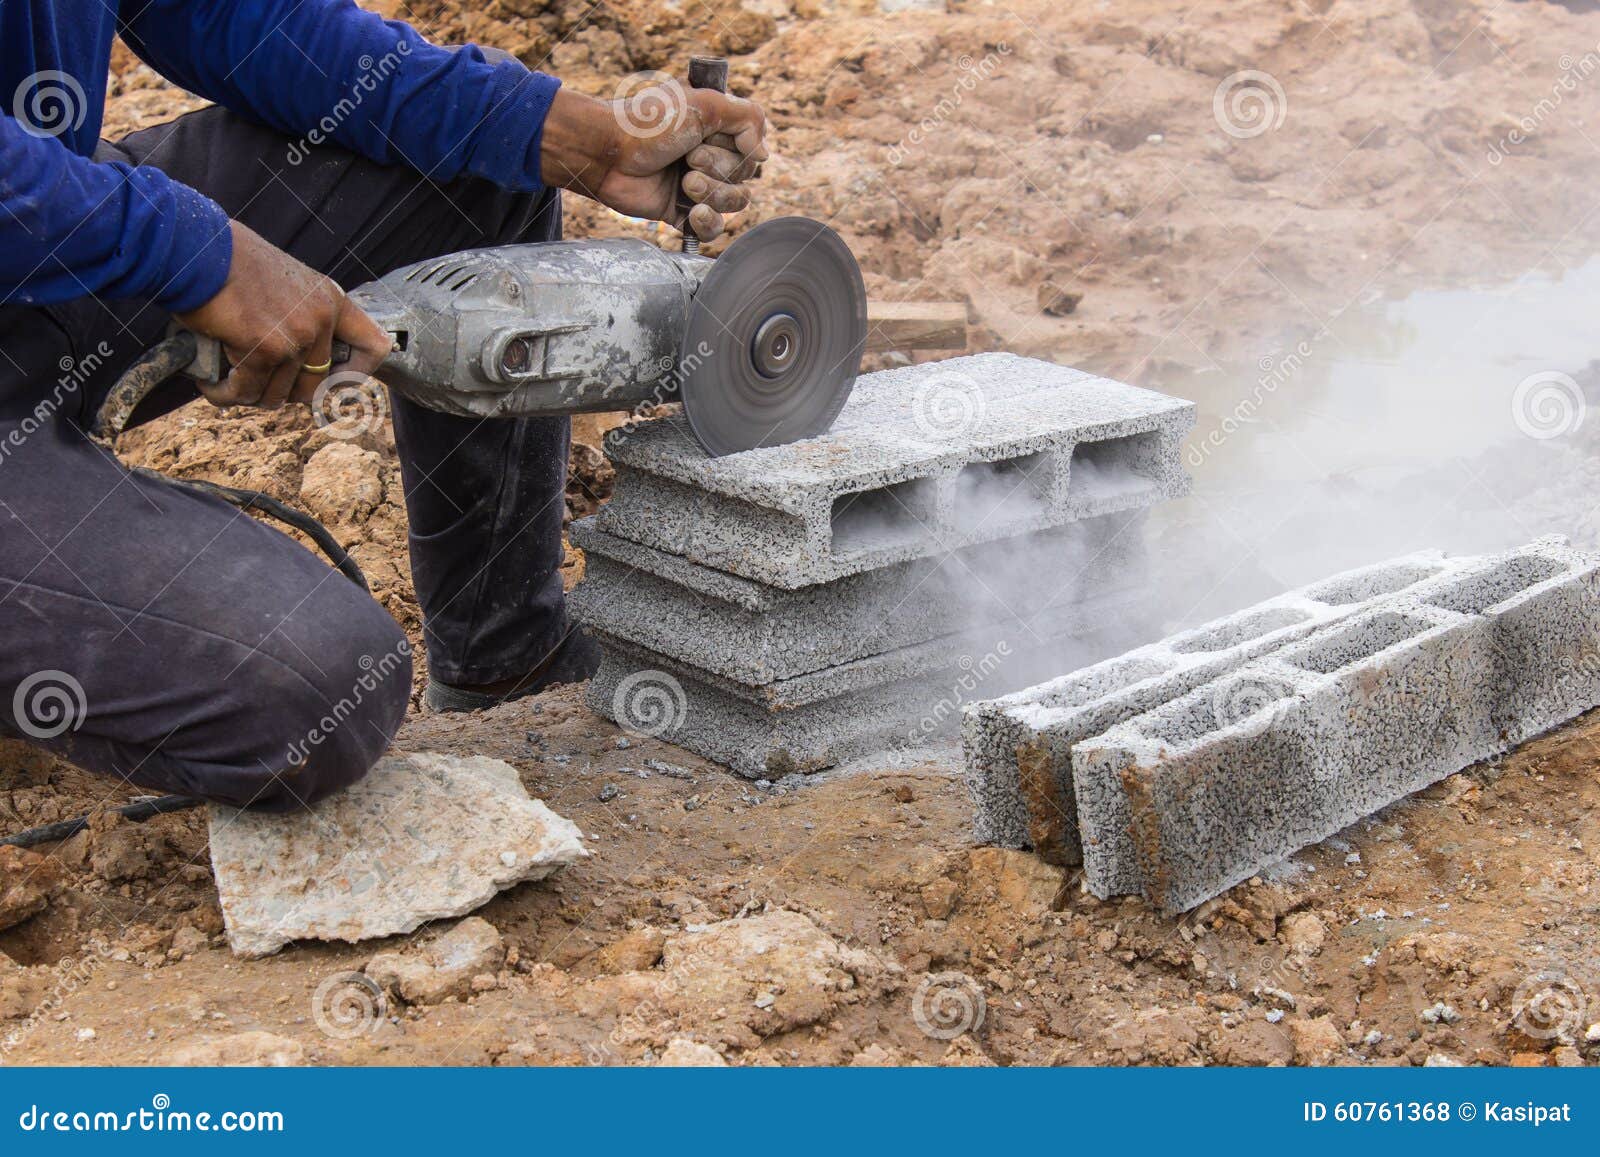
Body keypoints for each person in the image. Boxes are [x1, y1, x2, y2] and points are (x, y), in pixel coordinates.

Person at [0, 0, 768, 811]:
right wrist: (196, 254)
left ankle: (508, 660)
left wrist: (580, 137)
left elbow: (223, 16)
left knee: (477, 161)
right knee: (310, 689)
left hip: (36, 250)